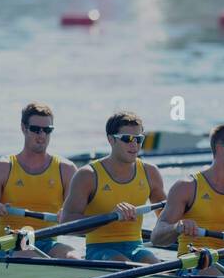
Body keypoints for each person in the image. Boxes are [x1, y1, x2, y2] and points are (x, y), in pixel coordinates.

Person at [152, 122, 224, 277]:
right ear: (219, 148)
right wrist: (177, 227)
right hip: (193, 260)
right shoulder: (187, 187)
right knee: (211, 273)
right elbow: (157, 237)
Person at [0, 102, 78, 259]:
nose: (42, 135)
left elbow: (78, 221)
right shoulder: (1, 167)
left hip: (46, 241)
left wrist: (67, 218)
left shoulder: (66, 169)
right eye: (36, 129)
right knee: (27, 251)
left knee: (72, 256)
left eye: (47, 130)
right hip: (8, 241)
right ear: (23, 128)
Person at [60, 111, 167, 262]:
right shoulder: (88, 175)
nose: (134, 145)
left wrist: (184, 225)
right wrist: (109, 217)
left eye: (138, 139)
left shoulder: (150, 172)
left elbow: (167, 219)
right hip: (99, 249)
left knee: (155, 267)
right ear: (111, 140)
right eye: (127, 139)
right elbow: (66, 221)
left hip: (136, 247)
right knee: (122, 263)